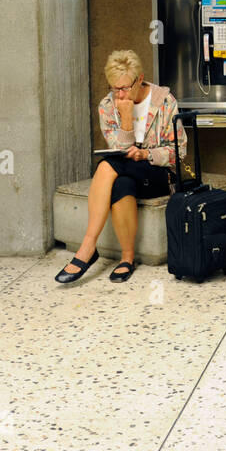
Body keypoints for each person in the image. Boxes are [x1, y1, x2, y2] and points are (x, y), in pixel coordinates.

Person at [55, 50, 187, 284]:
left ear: (140, 78)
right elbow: (120, 149)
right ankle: (127, 258)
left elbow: (180, 151)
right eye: (115, 88)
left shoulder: (164, 101)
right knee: (121, 182)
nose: (120, 94)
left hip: (159, 174)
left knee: (107, 167)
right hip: (128, 173)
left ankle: (87, 247)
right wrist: (126, 119)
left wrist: (145, 153)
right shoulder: (107, 106)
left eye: (125, 88)